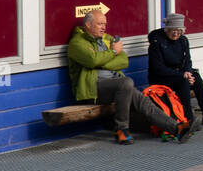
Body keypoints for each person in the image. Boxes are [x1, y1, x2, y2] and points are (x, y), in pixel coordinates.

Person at [67, 9, 188, 145]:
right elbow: (92, 61)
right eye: (100, 24)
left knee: (142, 100)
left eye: (105, 24)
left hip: (115, 86)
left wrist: (102, 62)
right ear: (88, 25)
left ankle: (176, 129)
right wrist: (113, 52)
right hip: (92, 89)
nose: (104, 27)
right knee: (126, 83)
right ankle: (121, 129)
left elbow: (123, 61)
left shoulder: (106, 39)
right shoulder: (77, 43)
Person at [148, 14, 203, 129]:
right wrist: (182, 75)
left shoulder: (183, 41)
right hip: (161, 77)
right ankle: (188, 118)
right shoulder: (157, 41)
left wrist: (188, 73)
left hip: (179, 74)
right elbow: (158, 68)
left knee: (196, 78)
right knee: (183, 81)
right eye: (172, 30)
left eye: (179, 31)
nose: (176, 33)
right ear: (166, 30)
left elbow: (187, 61)